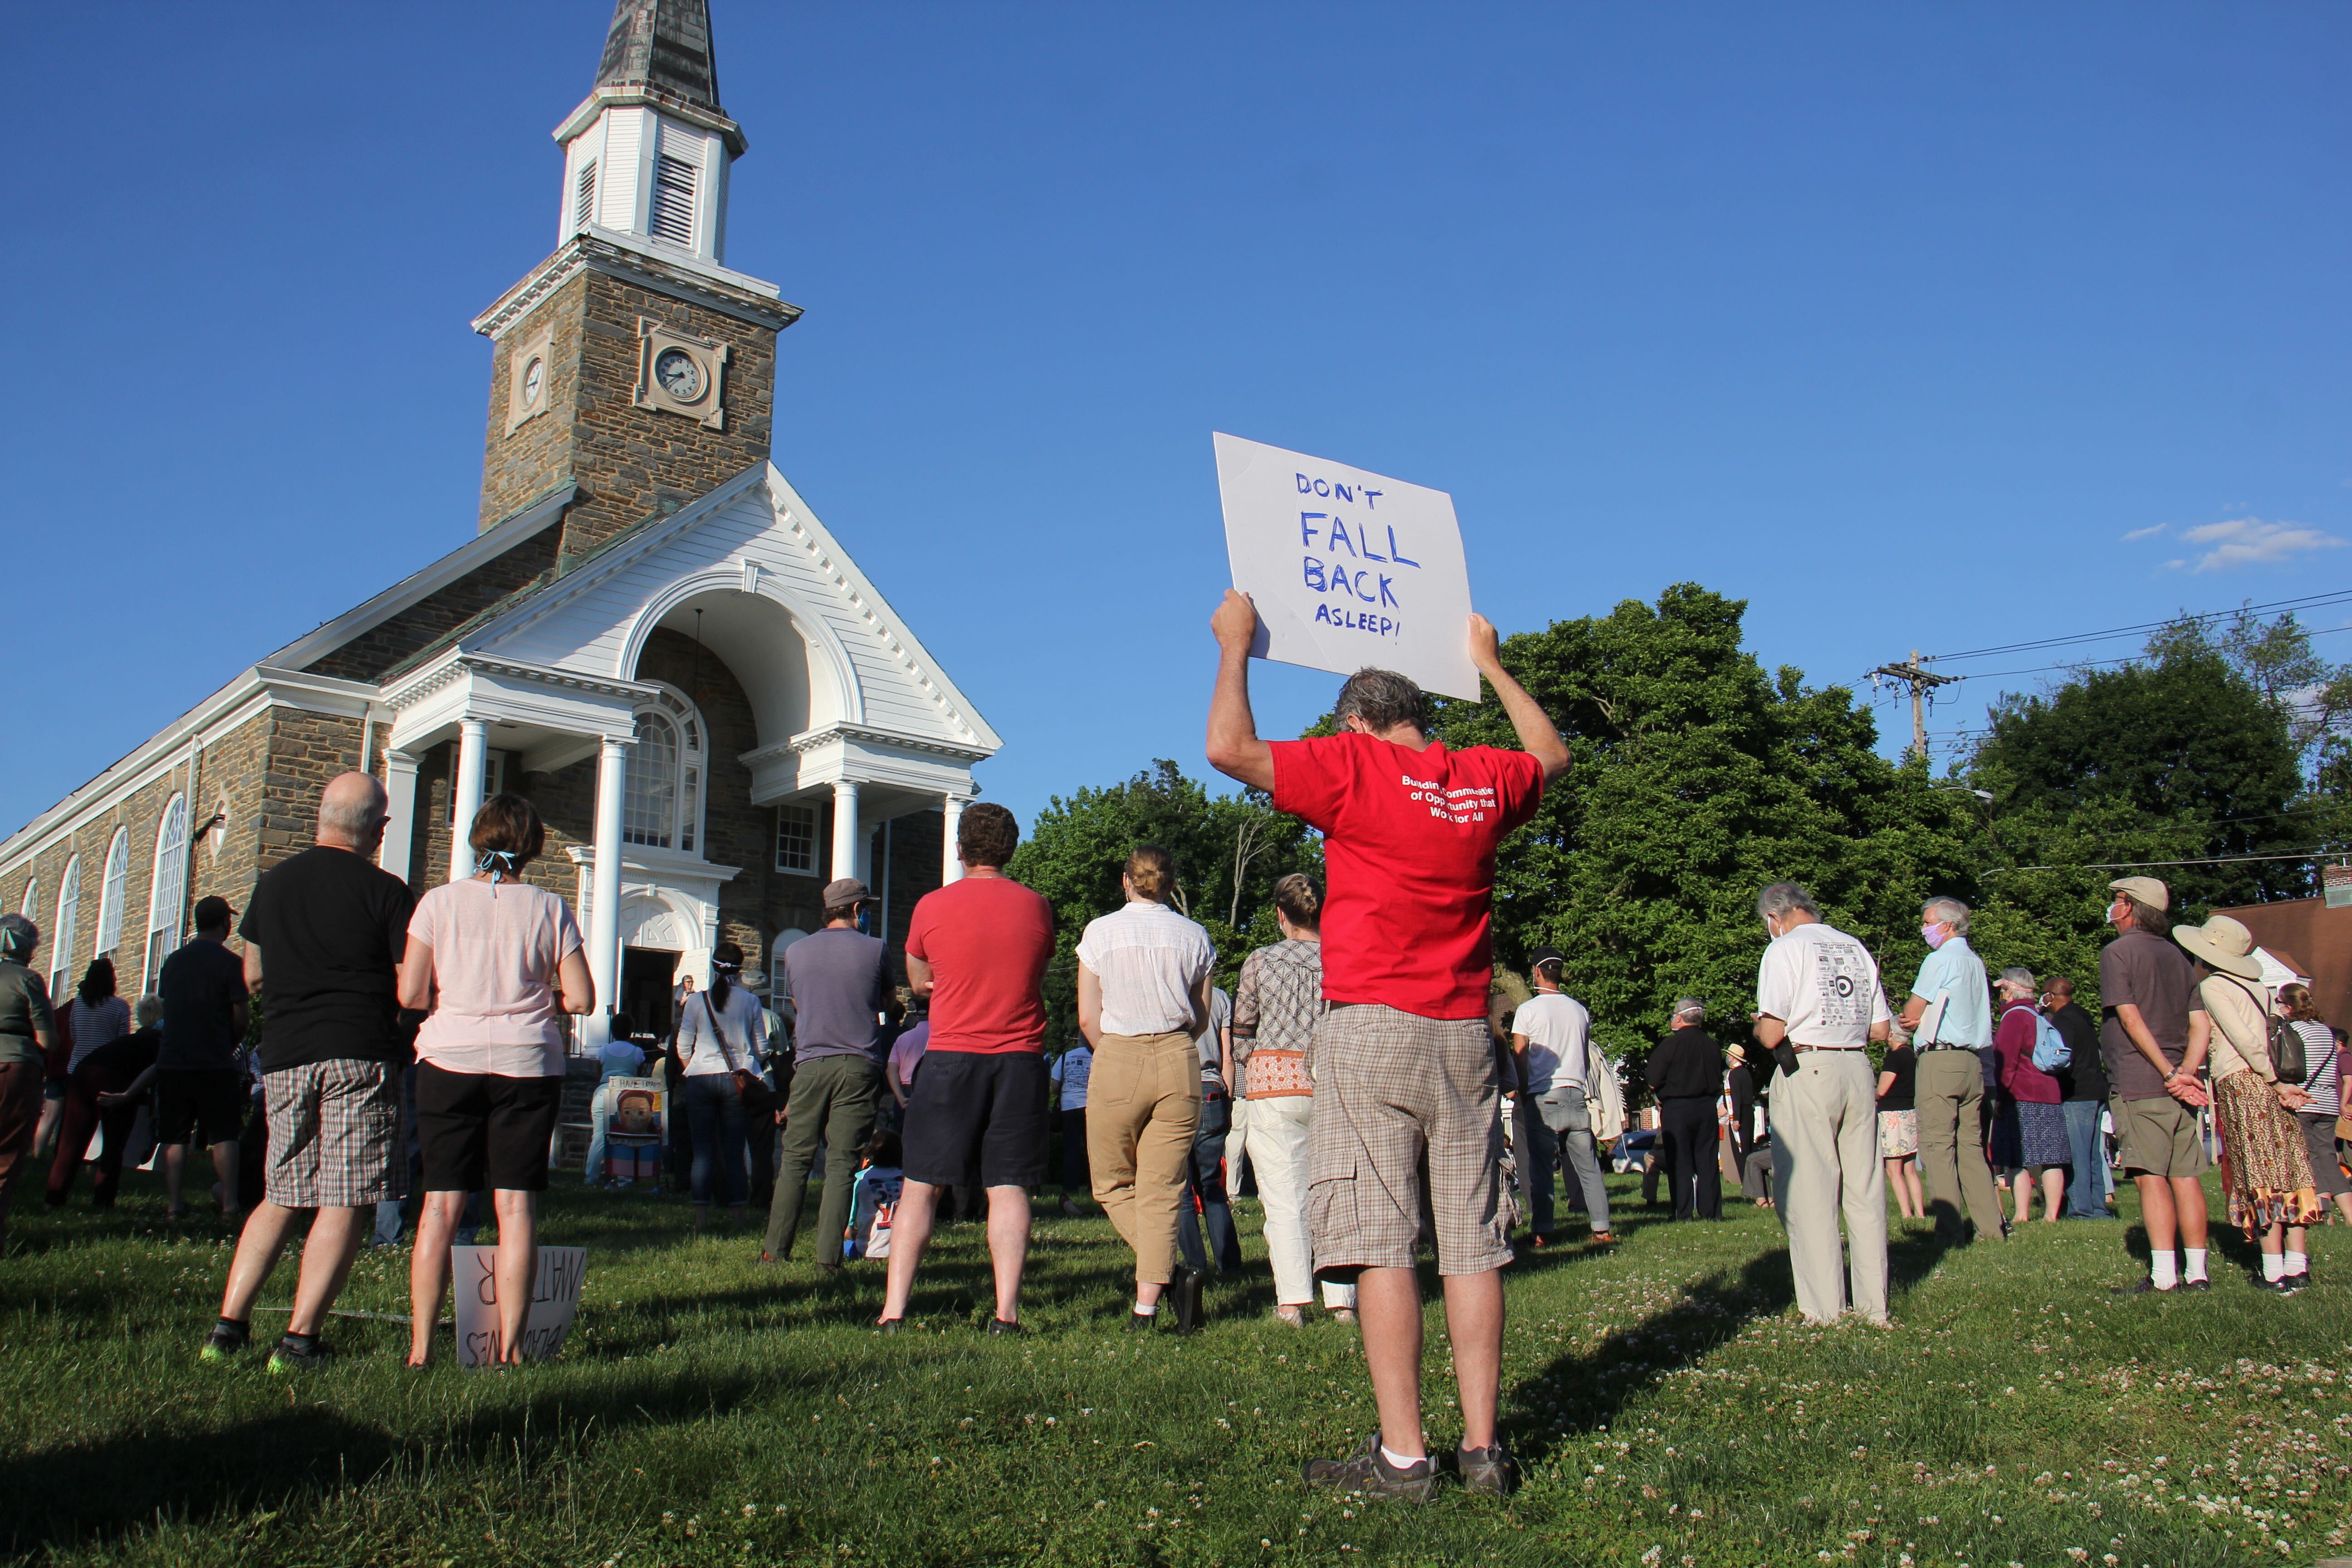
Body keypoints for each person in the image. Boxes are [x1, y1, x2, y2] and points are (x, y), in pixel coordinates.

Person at [1205, 591, 1568, 1500]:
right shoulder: (1482, 776)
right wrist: (1489, 663)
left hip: (1371, 1027)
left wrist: (1236, 646)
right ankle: (1484, 1452)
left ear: (1358, 723)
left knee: (1379, 1242)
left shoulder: (1352, 768)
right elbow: (1552, 754)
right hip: (1464, 1035)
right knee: (1473, 1244)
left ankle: (1406, 1457)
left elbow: (1228, 750)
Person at [206, 772, 414, 1371]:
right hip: (359, 1050)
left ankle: (229, 1328)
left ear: (320, 817)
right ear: (379, 828)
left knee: (281, 1192)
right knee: (345, 1198)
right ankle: (299, 1341)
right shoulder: (388, 891)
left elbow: (253, 977)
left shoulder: (273, 886)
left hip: (286, 1053)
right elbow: (409, 984)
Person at [395, 794, 591, 1365]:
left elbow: (410, 994)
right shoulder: (549, 907)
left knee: (440, 1206)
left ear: (477, 840)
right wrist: (533, 994)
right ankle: (510, 1350)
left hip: (447, 1059)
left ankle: (421, 1348)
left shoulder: (438, 902)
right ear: (531, 847)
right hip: (526, 1064)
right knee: (516, 1207)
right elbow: (580, 998)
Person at [878, 802, 1055, 1333]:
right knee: (1008, 1186)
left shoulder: (932, 906)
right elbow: (1037, 971)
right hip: (1019, 1059)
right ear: (1011, 850)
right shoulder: (1038, 908)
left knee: (920, 1184)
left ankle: (894, 1312)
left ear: (960, 850)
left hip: (952, 1056)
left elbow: (918, 978)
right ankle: (1006, 1313)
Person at [1073, 845, 1215, 1329]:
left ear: (1126, 880)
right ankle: (1148, 1304)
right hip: (1179, 1056)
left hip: (1118, 1052)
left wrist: (1113, 1053)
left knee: (1112, 1182)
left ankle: (1167, 1276)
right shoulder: (1195, 935)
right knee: (1163, 1187)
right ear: (1171, 884)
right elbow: (1201, 1014)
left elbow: (1088, 1016)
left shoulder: (1100, 932)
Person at [1752, 881, 1891, 1328]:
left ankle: (1825, 1310)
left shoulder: (1785, 949)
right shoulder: (1854, 947)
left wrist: (1759, 1027)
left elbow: (1773, 1035)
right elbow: (1881, 1030)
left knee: (1812, 1192)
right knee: (1865, 1191)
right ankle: (1875, 1308)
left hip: (1808, 1067)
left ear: (1776, 918)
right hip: (1856, 1066)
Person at [1231, 872, 1357, 1326]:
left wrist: (1252, 1061)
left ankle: (1292, 1302)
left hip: (1273, 1087)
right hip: (1333, 1082)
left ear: (1280, 914)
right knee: (1337, 1193)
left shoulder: (1260, 961)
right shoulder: (1346, 959)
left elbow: (1242, 1029)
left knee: (1284, 1199)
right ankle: (1342, 1301)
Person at [2174, 916, 2317, 1292]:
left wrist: (2271, 1079)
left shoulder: (2215, 987)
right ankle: (2297, 1264)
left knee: (2258, 1171)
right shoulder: (2261, 988)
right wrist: (2283, 1083)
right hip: (2275, 1080)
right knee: (2291, 1166)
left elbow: (2242, 1039)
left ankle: (2272, 1270)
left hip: (2244, 1081)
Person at [764, 877, 893, 1272]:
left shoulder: (796, 951)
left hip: (809, 1062)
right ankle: (827, 1261)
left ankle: (775, 1252)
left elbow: (800, 1003)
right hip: (858, 1063)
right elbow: (886, 1002)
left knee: (795, 1159)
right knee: (842, 1163)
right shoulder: (876, 949)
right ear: (857, 910)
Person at [2097, 877, 2212, 1295]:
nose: (2112, 908)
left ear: (2128, 907)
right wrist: (2187, 1072)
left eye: (2116, 901)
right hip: (2182, 1085)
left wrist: (2167, 1072)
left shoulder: (2117, 954)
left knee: (2151, 1177)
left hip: (2141, 1080)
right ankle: (2197, 1273)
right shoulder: (2178, 957)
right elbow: (2201, 1023)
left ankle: (2164, 1276)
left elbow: (2129, 1018)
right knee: (2186, 1176)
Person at [1898, 897, 2005, 1245]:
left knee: (1937, 1145)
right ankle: (1992, 1228)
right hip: (1972, 1060)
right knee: (1971, 1146)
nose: (1924, 928)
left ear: (1947, 925)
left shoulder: (1939, 959)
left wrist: (1910, 1018)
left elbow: (1913, 1011)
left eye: (1928, 921)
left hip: (1940, 1058)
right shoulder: (1975, 962)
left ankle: (1949, 1230)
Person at [153, 896, 253, 1219]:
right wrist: (229, 1043)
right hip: (214, 1060)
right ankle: (230, 1205)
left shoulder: (173, 962)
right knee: (225, 1134)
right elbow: (241, 1017)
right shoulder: (230, 963)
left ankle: (174, 1205)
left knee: (175, 1135)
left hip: (173, 1060)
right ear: (225, 922)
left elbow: (168, 1006)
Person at [1511, 948, 1614, 1245]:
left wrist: (1523, 1090)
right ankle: (1601, 1227)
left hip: (1544, 1095)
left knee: (1541, 1169)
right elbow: (1584, 1054)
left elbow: (1521, 1055)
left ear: (1537, 972)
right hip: (1575, 1093)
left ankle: (1543, 1230)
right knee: (1589, 1167)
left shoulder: (1528, 1011)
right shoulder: (1579, 1010)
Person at [674, 941, 767, 1236]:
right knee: (734, 1150)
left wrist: (693, 1066)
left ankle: (700, 1219)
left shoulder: (696, 1001)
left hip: (701, 1078)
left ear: (713, 967)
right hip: (735, 1080)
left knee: (702, 1152)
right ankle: (738, 1218)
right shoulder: (751, 1002)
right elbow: (762, 1048)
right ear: (741, 970)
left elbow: (682, 1045)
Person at [47, 994, 164, 1210]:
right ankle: (102, 1202)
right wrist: (130, 1095)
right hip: (116, 1083)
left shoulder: (132, 1040)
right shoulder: (159, 1044)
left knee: (72, 1143)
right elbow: (154, 1073)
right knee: (114, 1145)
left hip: (82, 1074)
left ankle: (54, 1198)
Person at [0, 914, 60, 1253]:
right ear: (27, 948)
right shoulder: (29, 981)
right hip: (15, 1068)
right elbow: (48, 1041)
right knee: (7, 1154)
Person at [1177, 981, 1244, 1279]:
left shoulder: (1171, 991)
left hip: (1176, 1088)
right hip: (1212, 1088)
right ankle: (1229, 1265)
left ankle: (1195, 1265)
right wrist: (1226, 1102)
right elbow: (1227, 1055)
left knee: (1182, 1189)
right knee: (1213, 1186)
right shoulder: (1219, 997)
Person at [1990, 967, 2066, 1226]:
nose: (2001, 995)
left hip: (2020, 1095)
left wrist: (2000, 1096)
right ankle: (2051, 1215)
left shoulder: (2013, 1018)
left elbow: (2005, 1061)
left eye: (2003, 990)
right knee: (2050, 1158)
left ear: (2011, 991)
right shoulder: (2038, 1015)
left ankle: (2022, 1214)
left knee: (2017, 1158)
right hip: (2049, 1093)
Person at [2278, 983, 2351, 1233]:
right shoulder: (2327, 1032)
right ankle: (2350, 1215)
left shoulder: (2291, 1030)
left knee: (2311, 1160)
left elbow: (2287, 1065)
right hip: (2329, 1103)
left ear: (2288, 1007)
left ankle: (2324, 1214)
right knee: (2329, 1158)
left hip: (2304, 1099)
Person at [1644, 999, 1725, 1221]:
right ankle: (1711, 1213)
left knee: (1680, 1161)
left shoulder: (1671, 1045)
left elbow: (1653, 1079)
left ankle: (1683, 1211)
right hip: (1707, 1107)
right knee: (1708, 1161)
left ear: (1679, 1017)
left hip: (1678, 1108)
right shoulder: (1712, 1045)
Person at [2041, 976, 2112, 1220]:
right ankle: (2098, 1208)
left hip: (2077, 1094)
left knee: (2078, 1156)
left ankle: (2082, 1210)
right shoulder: (2083, 1017)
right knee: (2093, 1155)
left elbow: (2062, 1058)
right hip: (2096, 1091)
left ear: (2051, 996)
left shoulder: (2063, 1021)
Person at [583, 1009, 643, 1187]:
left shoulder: (604, 1050)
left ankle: (591, 1178)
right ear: (630, 1031)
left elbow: (598, 1071)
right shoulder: (637, 1051)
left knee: (600, 1137)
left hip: (604, 1091)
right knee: (625, 1136)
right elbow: (637, 1073)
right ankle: (625, 1179)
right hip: (626, 1094)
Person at [1875, 1028, 1924, 1220]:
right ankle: (1920, 1213)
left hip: (1892, 1116)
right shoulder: (1913, 1056)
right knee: (1910, 1168)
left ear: (1893, 1034)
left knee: (1894, 1170)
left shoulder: (1894, 1057)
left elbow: (1882, 1090)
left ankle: (1906, 1213)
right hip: (1911, 1112)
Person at [61, 957, 131, 1081]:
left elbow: (74, 1036)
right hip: (106, 1068)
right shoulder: (121, 1006)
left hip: (77, 1068)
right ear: (111, 980)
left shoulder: (77, 1004)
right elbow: (123, 1042)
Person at [1049, 1034, 1093, 1215]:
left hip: (1069, 1107)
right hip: (1091, 1107)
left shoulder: (1066, 1057)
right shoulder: (1097, 1056)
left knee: (1071, 1150)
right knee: (1093, 1150)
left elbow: (1055, 1084)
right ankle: (1094, 1186)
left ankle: (1070, 1187)